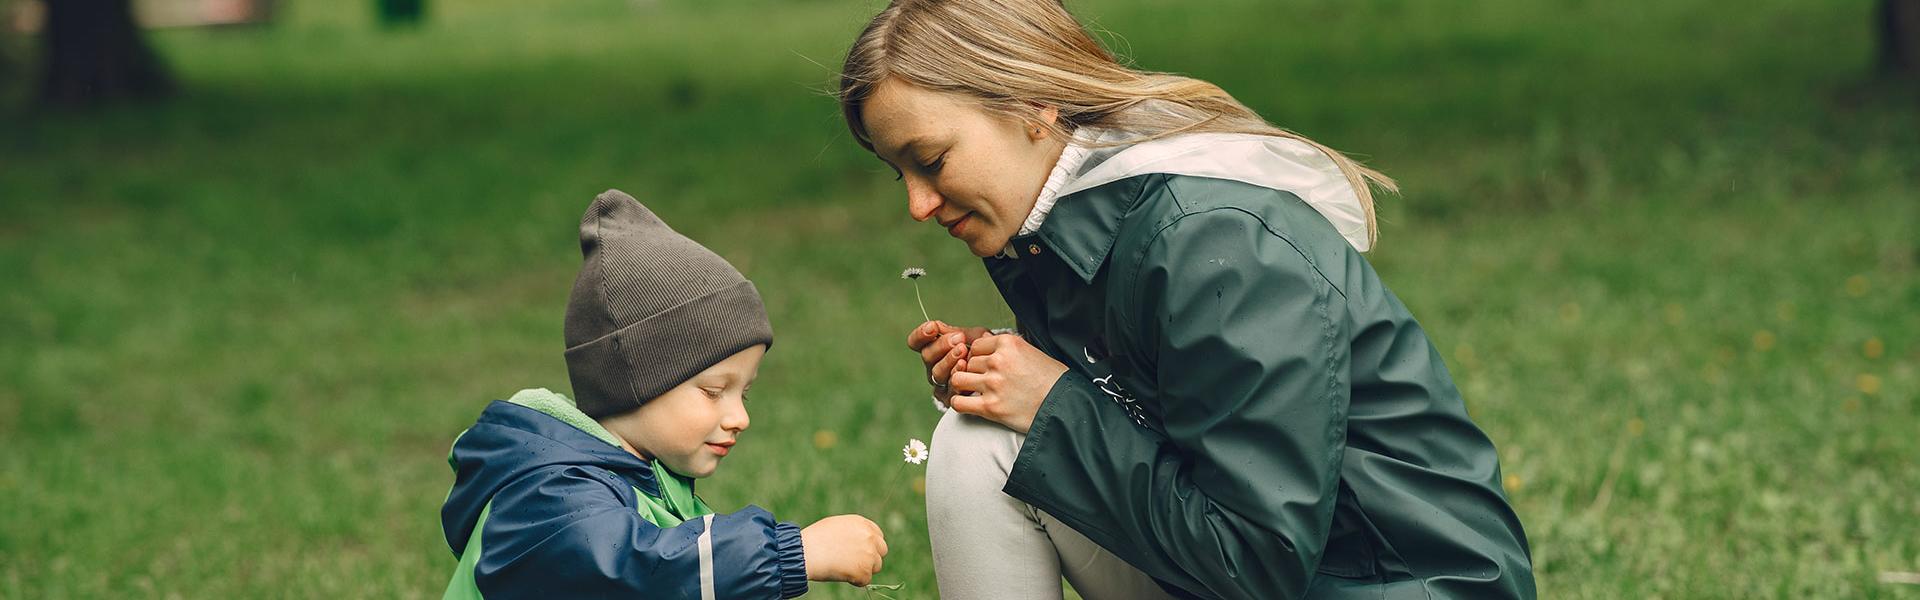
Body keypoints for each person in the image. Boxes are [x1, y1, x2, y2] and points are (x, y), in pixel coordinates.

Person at [837, 1, 1535, 598]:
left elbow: (1258, 564)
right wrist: (1004, 377)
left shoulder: (1212, 240)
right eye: (896, 172)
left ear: (1031, 106)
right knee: (983, 437)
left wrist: (1054, 404)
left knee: (1008, 436)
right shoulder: (1049, 232)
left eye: (929, 161)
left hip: (1391, 586)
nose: (918, 205)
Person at [438, 190, 887, 598]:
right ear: (633, 380)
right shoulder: (548, 492)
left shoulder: (638, 479)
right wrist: (795, 553)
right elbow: (643, 570)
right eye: (713, 392)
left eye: (744, 394)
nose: (739, 418)